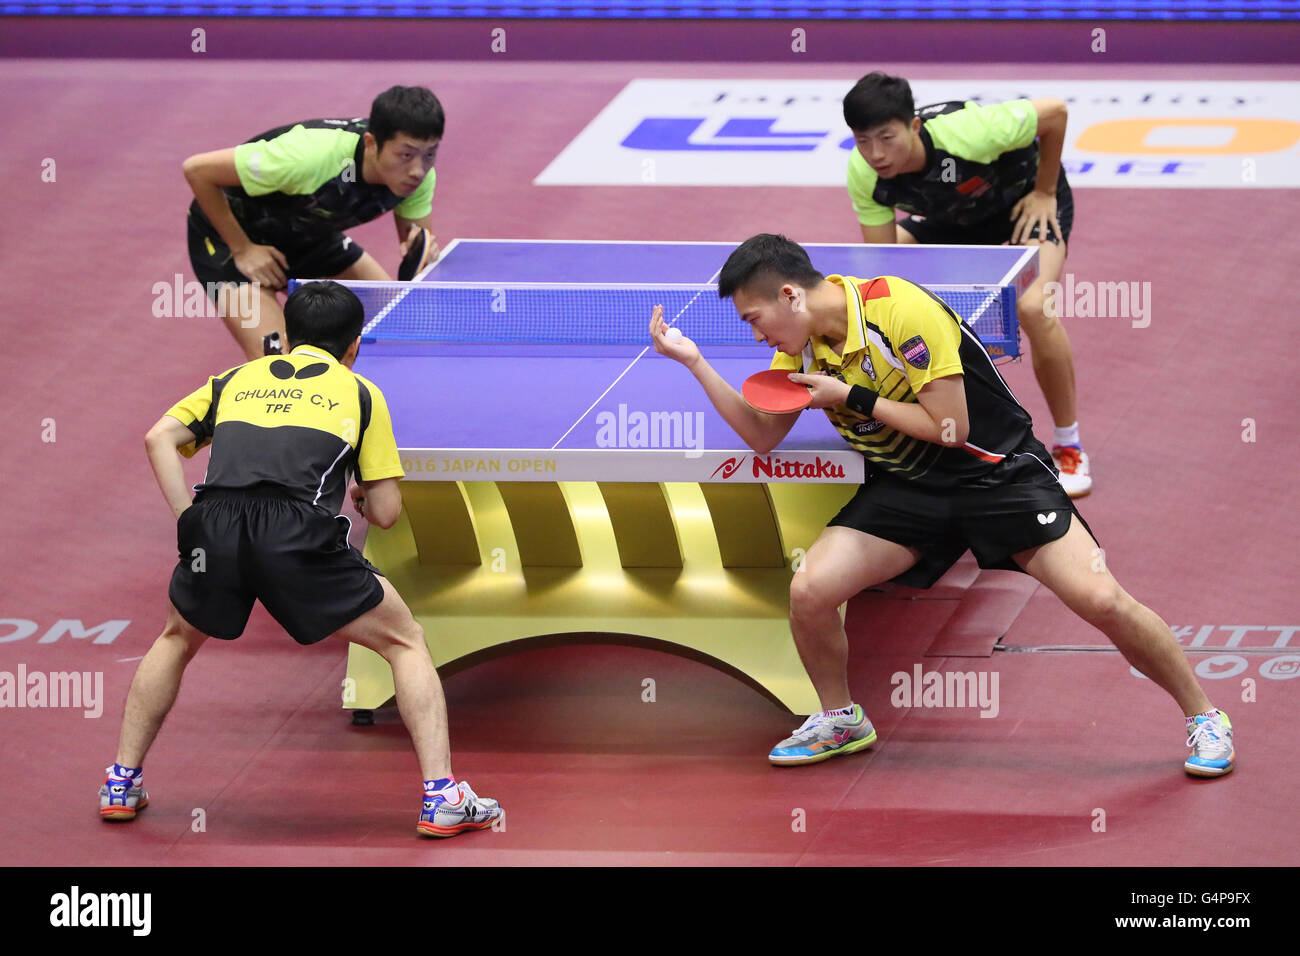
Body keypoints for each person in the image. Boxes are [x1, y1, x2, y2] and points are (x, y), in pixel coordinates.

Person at [649, 234, 1234, 778]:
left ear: (789, 295)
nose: (757, 337)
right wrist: (694, 362)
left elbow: (951, 428)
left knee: (1101, 599)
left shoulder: (898, 311)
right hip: (911, 488)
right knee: (810, 590)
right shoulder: (804, 349)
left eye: (753, 319)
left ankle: (1205, 715)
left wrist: (850, 396)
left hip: (996, 473)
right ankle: (841, 719)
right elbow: (762, 435)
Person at [99, 281, 502, 837]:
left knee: (175, 638)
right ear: (354, 345)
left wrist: (187, 519)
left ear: (288, 337)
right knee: (405, 641)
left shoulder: (235, 379)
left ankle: (121, 782)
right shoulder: (361, 393)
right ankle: (442, 798)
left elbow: (158, 438)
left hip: (214, 528)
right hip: (295, 535)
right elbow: (386, 514)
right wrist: (362, 494)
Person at [843, 72, 1092, 497]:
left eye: (886, 138)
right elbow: (886, 265)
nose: (876, 154)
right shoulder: (864, 173)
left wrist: (1045, 191)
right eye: (863, 141)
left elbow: (1055, 112)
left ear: (914, 126)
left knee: (1034, 306)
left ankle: (1069, 444)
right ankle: (914, 436)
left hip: (1023, 208)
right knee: (872, 295)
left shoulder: (969, 132)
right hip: (952, 219)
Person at [183, 85, 443, 360]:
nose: (418, 170)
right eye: (406, 155)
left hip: (310, 236)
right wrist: (243, 249)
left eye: (429, 154)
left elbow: (416, 250)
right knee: (277, 363)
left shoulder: (419, 179)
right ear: (371, 143)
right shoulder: (306, 157)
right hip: (231, 240)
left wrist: (422, 252)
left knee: (397, 322)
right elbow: (197, 170)